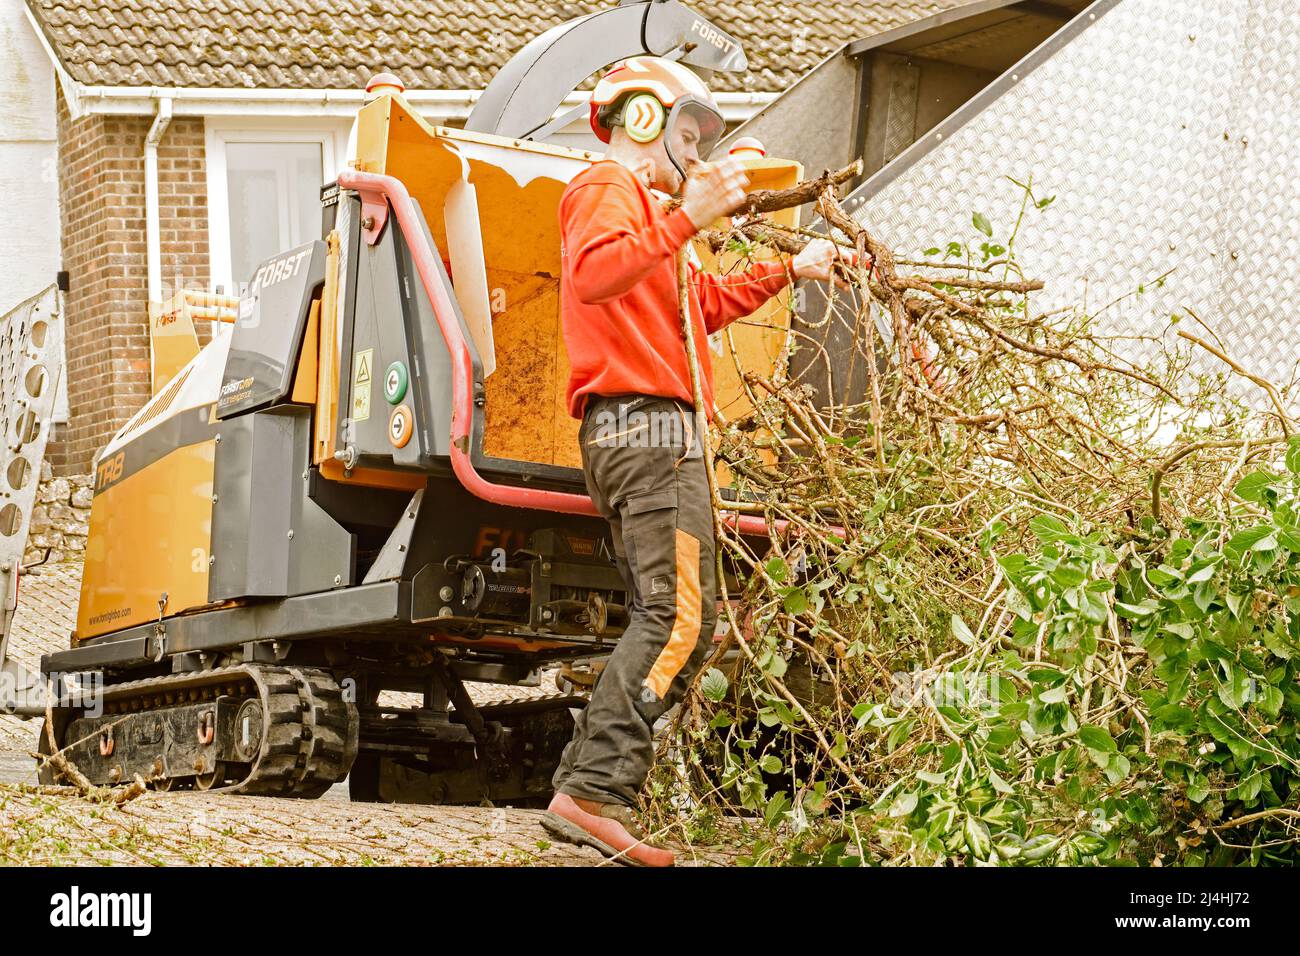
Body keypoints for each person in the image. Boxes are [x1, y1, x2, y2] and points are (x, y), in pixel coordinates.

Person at [541, 56, 850, 866]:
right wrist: (687, 220)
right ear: (640, 121)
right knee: (680, 619)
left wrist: (791, 267)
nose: (696, 149)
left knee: (672, 614)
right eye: (685, 130)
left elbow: (695, 305)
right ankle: (594, 796)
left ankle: (583, 786)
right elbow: (595, 274)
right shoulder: (605, 187)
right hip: (646, 430)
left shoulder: (644, 212)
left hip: (646, 431)